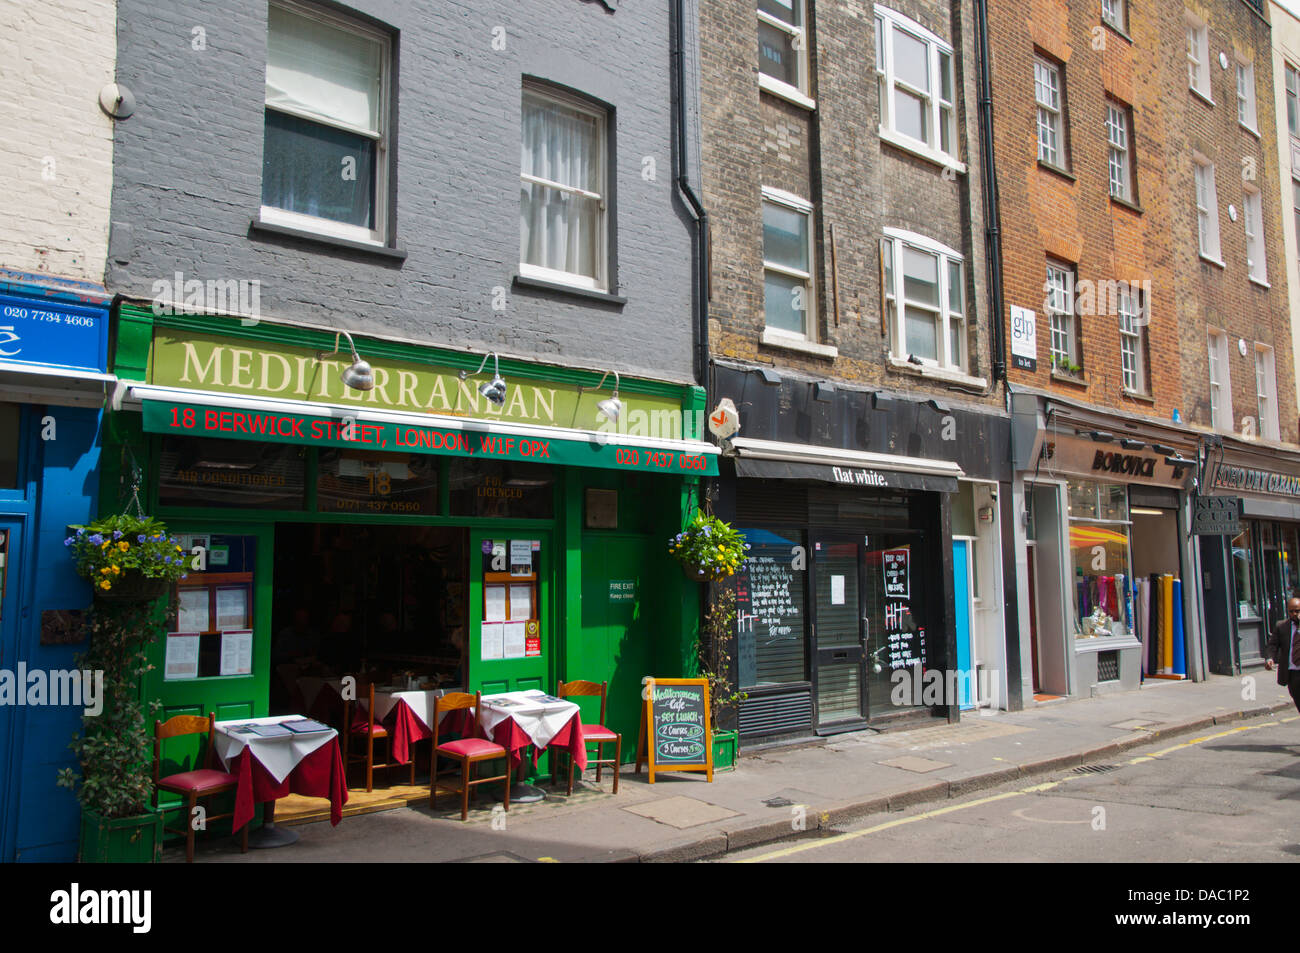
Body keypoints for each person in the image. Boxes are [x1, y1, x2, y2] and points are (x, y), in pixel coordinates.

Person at [1265, 596, 1300, 713]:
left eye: (1297, 611)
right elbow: (1273, 644)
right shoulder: (1282, 626)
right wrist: (1270, 658)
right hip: (1292, 673)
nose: (1294, 614)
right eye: (1291, 611)